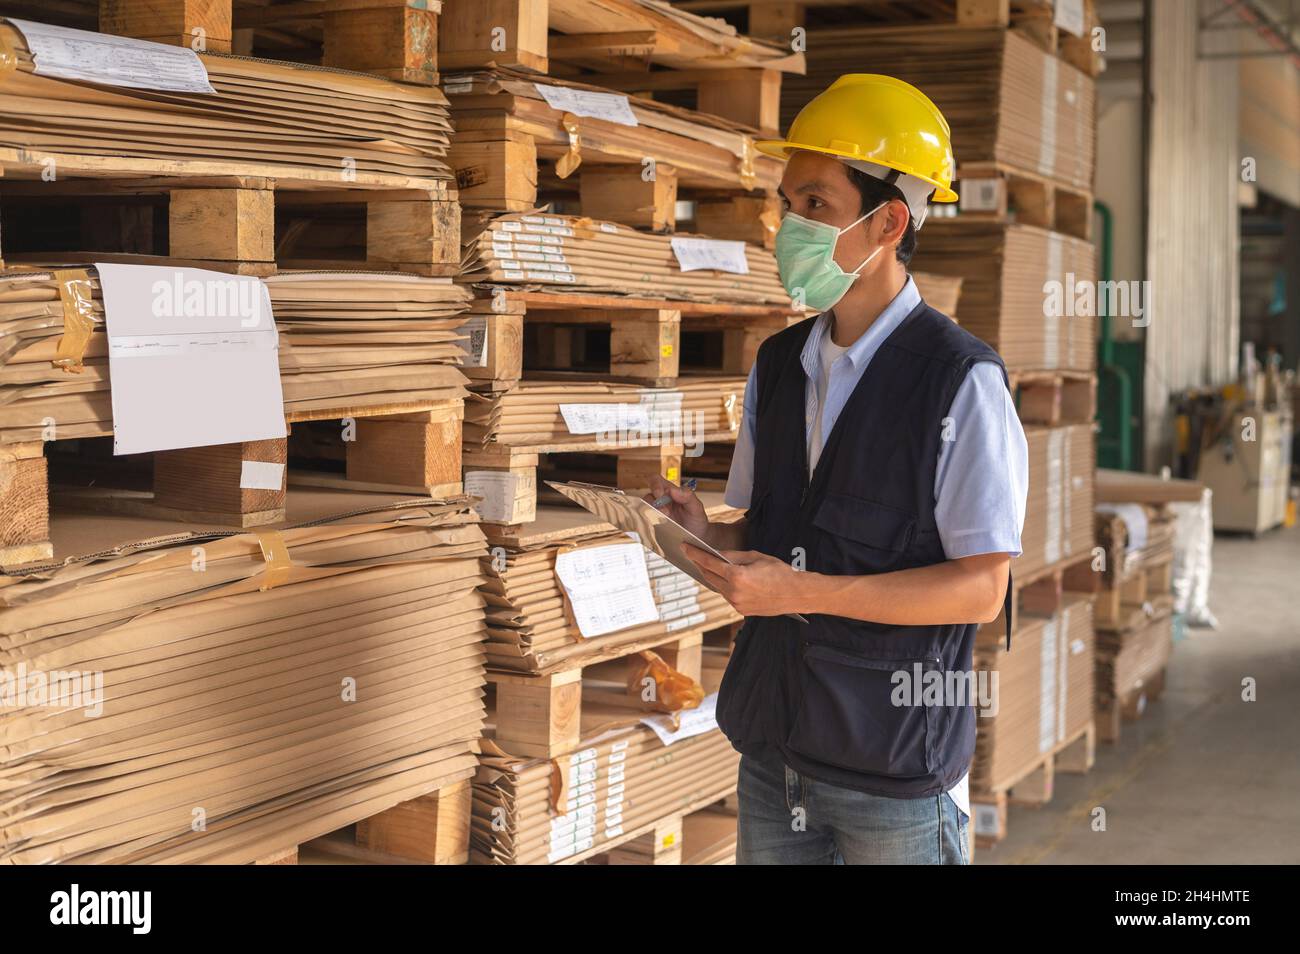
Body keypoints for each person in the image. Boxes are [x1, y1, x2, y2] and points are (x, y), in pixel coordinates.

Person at [644, 74, 1029, 864]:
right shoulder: (779, 365)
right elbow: (767, 529)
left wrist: (802, 593)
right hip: (773, 753)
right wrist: (702, 534)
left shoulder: (961, 382)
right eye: (788, 204)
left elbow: (983, 590)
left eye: (815, 205)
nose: (789, 226)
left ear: (888, 220)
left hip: (892, 772)